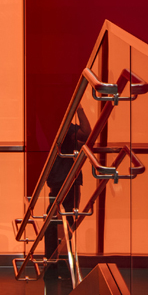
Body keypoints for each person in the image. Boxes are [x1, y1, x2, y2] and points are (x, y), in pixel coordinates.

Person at [44, 104, 91, 276]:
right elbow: (86, 133)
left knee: (55, 220)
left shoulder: (53, 126)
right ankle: (59, 262)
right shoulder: (63, 126)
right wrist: (80, 110)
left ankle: (54, 262)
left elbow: (84, 135)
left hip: (59, 178)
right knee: (65, 220)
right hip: (66, 178)